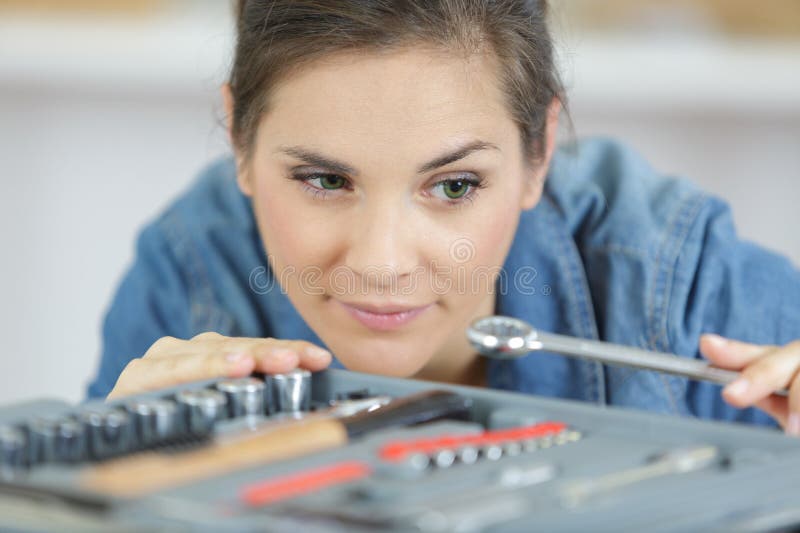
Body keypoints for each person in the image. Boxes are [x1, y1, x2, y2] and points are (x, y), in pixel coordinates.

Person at [86, 0, 800, 434]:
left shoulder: (678, 286)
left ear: (539, 152)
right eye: (325, 179)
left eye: (454, 186)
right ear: (240, 137)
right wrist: (95, 477)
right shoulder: (187, 275)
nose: (382, 262)